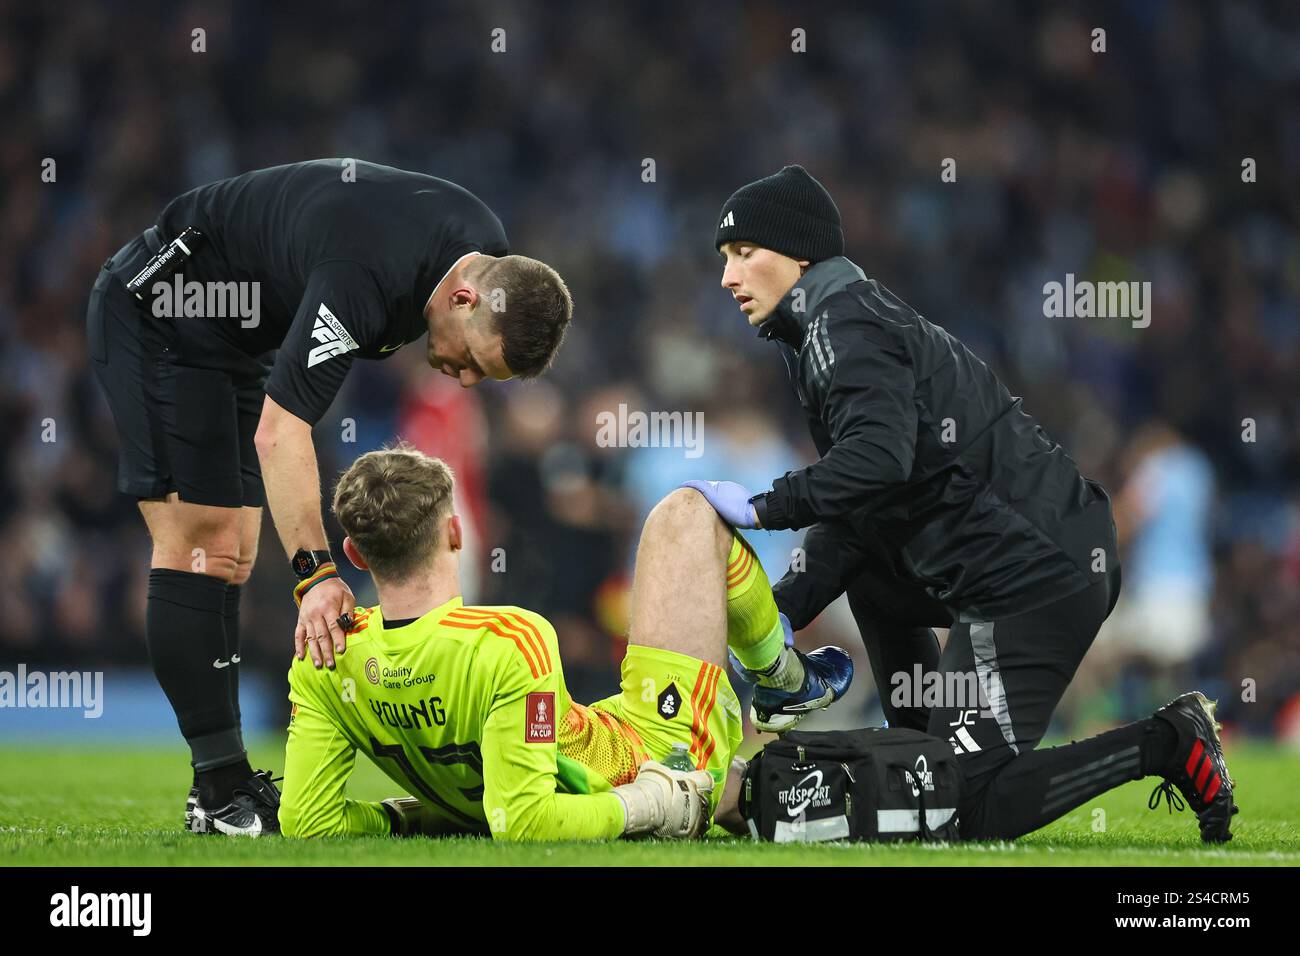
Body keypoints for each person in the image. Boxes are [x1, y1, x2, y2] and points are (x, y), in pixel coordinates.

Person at [688, 165, 1237, 842]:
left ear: (800, 255)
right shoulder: (831, 327)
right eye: (724, 259)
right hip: (999, 562)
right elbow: (865, 511)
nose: (728, 278)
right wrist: (778, 619)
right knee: (919, 778)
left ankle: (1168, 741)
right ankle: (920, 759)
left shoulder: (844, 325)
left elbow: (874, 463)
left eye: (744, 254)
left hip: (1036, 574)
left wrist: (765, 506)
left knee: (966, 812)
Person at [85, 160, 573, 836]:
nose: (463, 380)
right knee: (202, 542)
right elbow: (281, 434)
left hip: (232, 338)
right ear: (464, 298)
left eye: (480, 377)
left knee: (235, 552)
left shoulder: (482, 252)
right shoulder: (365, 279)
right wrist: (316, 576)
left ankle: (221, 788)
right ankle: (221, 790)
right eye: (471, 360)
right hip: (161, 310)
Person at [277, 443, 850, 840]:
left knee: (599, 724)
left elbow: (308, 822)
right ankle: (782, 679)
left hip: (590, 741)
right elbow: (526, 824)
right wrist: (652, 803)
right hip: (656, 756)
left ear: (353, 555)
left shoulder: (326, 656)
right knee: (691, 509)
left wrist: (415, 817)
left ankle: (748, 791)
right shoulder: (511, 637)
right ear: (456, 532)